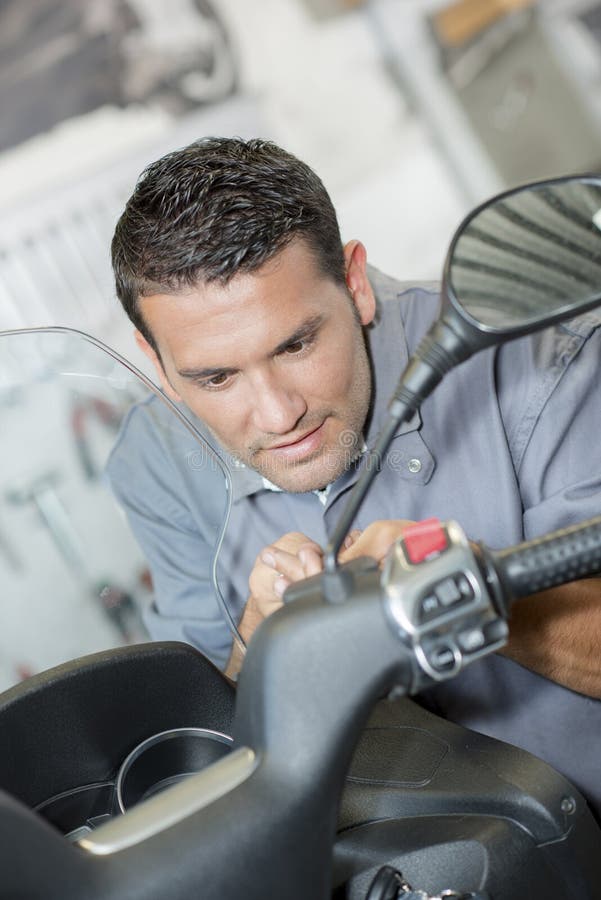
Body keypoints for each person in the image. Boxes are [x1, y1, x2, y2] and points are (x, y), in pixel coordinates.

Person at [107, 136, 601, 818]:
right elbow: (201, 757)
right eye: (215, 377)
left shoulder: (541, 357)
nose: (278, 414)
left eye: (296, 344)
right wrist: (259, 640)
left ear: (356, 284)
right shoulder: (156, 462)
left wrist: (463, 591)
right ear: (156, 363)